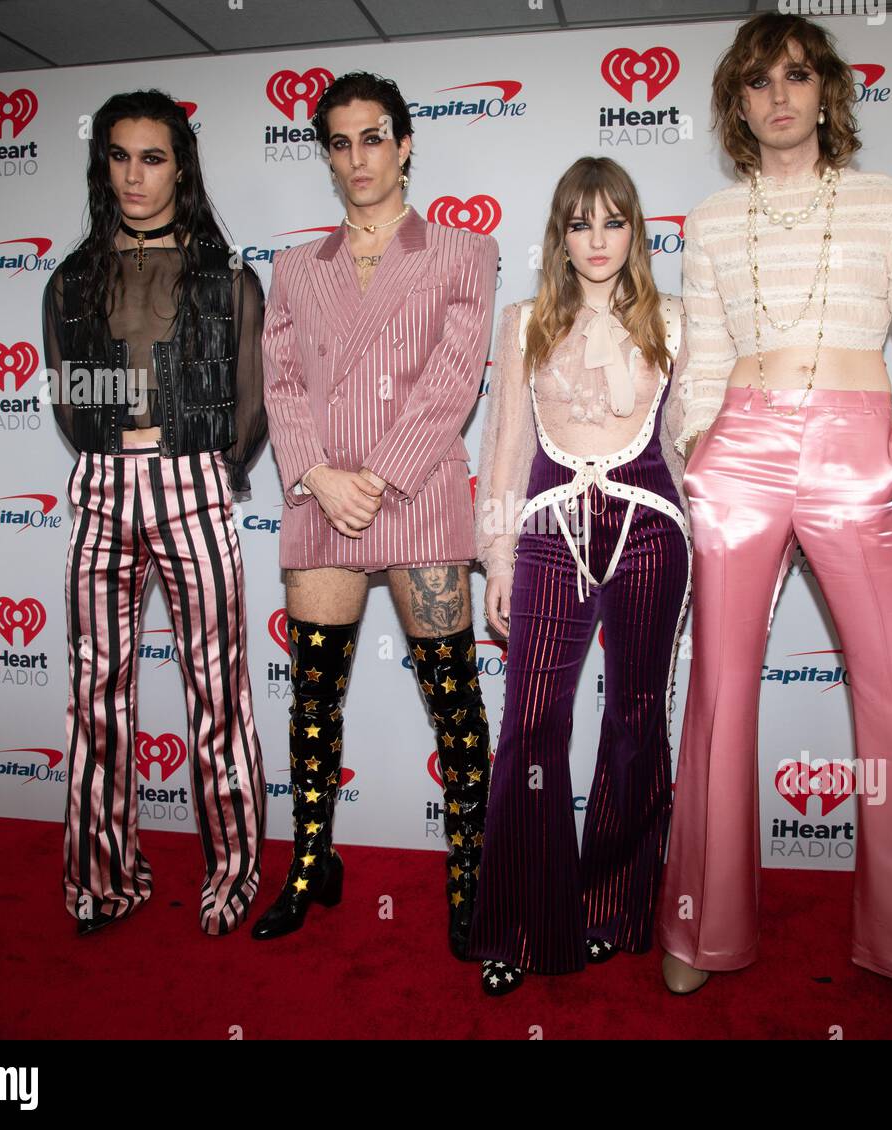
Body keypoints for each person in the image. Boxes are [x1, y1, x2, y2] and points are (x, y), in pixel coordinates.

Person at [656, 13, 892, 1027]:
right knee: (717, 694)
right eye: (757, 83)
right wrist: (696, 455)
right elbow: (701, 364)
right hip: (740, 451)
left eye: (795, 75)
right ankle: (703, 922)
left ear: (827, 90)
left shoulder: (885, 203)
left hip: (854, 450)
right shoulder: (708, 219)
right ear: (736, 104)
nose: (778, 96)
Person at [254, 72, 499, 958]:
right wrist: (319, 474)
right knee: (313, 699)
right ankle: (312, 861)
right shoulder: (292, 269)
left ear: (404, 145)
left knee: (455, 700)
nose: (358, 156)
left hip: (422, 495)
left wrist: (379, 478)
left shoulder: (464, 253)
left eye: (374, 136)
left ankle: (473, 872)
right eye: (340, 141)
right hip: (321, 499)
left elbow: (453, 380)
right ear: (327, 155)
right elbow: (280, 384)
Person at [43, 89, 268, 937]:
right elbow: (71, 402)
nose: (134, 176)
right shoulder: (72, 279)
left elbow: (250, 409)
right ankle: (102, 882)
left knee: (219, 691)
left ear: (182, 165)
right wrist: (122, 454)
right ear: (102, 165)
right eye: (119, 156)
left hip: (196, 487)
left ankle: (236, 873)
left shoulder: (228, 277)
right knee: (95, 694)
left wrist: (200, 470)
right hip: (101, 485)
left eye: (153, 157)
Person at [469, 157, 692, 996]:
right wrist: (495, 558)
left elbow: (688, 442)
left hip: (651, 531)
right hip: (548, 532)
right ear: (559, 236)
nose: (597, 240)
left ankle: (613, 905)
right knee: (529, 727)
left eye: (613, 221)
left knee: (637, 718)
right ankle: (521, 923)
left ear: (634, 230)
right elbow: (502, 454)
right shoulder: (523, 319)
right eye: (578, 223)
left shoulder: (676, 319)